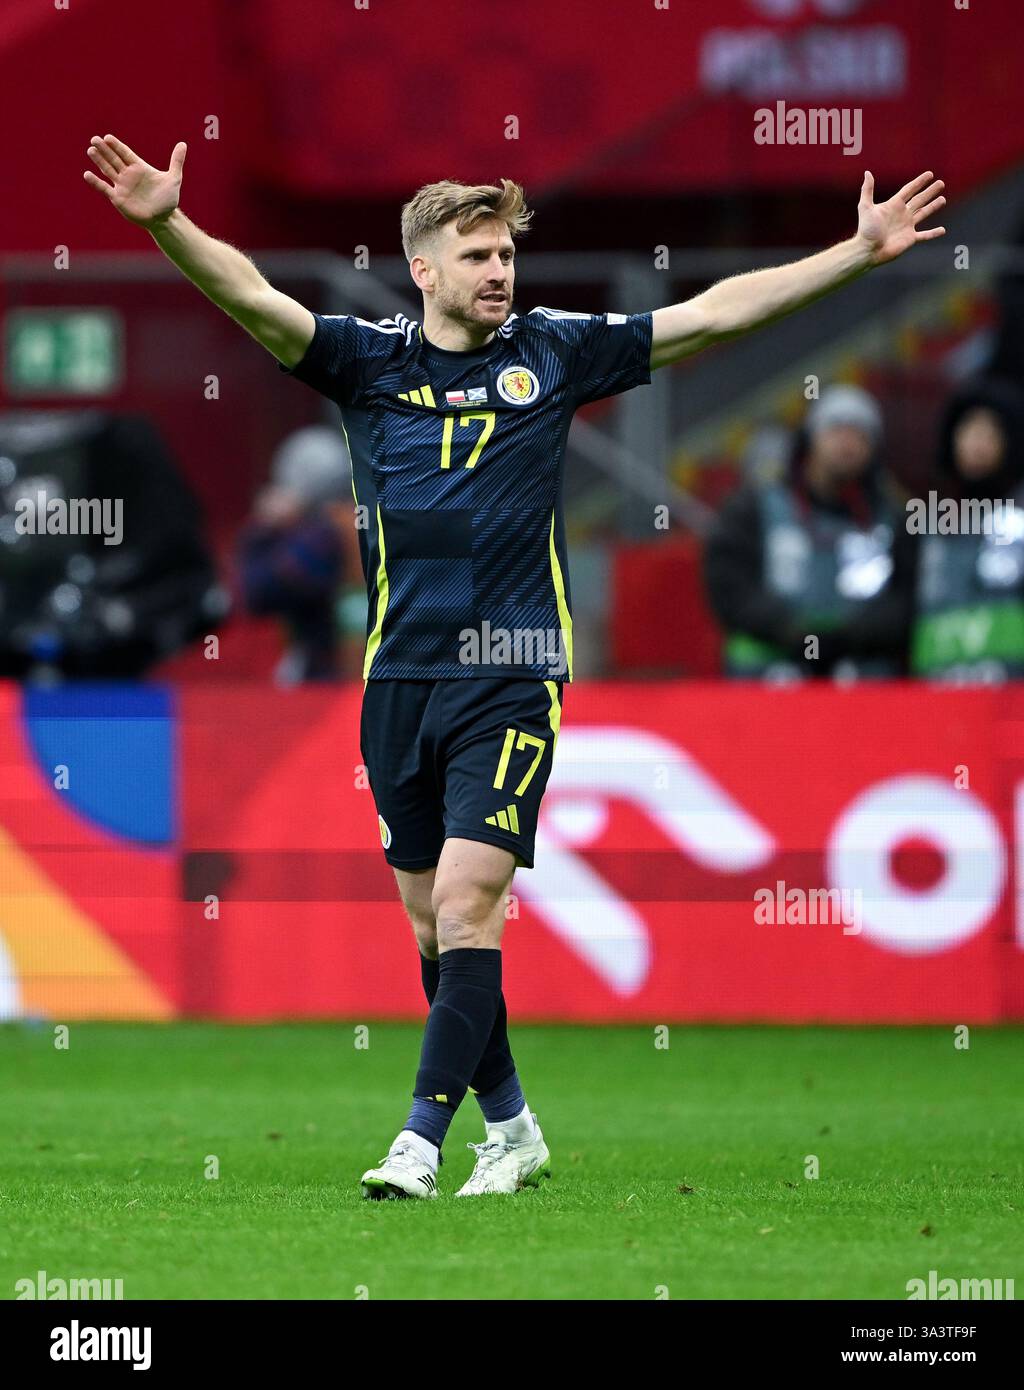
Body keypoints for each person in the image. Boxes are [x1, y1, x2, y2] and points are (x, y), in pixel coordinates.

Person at [85, 131, 945, 1198]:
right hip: (397, 675)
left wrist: (856, 255)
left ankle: (416, 1139)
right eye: (478, 255)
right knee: (431, 921)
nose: (499, 271)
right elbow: (253, 297)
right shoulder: (368, 360)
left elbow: (716, 313)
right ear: (427, 270)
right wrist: (169, 222)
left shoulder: (555, 351)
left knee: (467, 899)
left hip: (514, 666)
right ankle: (514, 1126)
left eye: (506, 253)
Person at [704, 386, 915, 681]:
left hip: (864, 691)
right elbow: (729, 586)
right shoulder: (755, 507)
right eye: (837, 430)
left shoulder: (892, 518)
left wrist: (849, 637)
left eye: (860, 434)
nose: (848, 443)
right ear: (811, 438)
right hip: (764, 687)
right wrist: (791, 631)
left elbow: (908, 598)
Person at [911, 377, 1024, 681]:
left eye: (990, 434)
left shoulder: (1021, 520)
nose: (978, 444)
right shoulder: (925, 525)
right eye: (970, 431)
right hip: (935, 697)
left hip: (1012, 702)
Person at [238, 425, 351, 685]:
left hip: (331, 687)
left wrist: (264, 528)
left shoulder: (322, 536)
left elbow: (256, 591)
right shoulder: (315, 532)